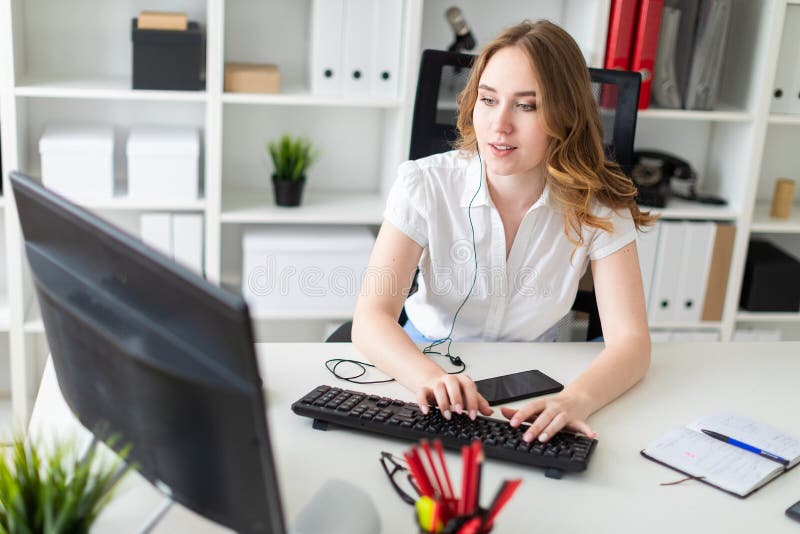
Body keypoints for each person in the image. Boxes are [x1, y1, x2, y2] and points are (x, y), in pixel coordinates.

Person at [352, 20, 656, 444]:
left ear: (566, 114)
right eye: (489, 99)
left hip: (536, 383)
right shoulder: (424, 183)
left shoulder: (600, 202)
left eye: (526, 106)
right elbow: (370, 318)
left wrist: (576, 400)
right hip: (422, 367)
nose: (499, 125)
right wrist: (429, 377)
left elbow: (632, 343)